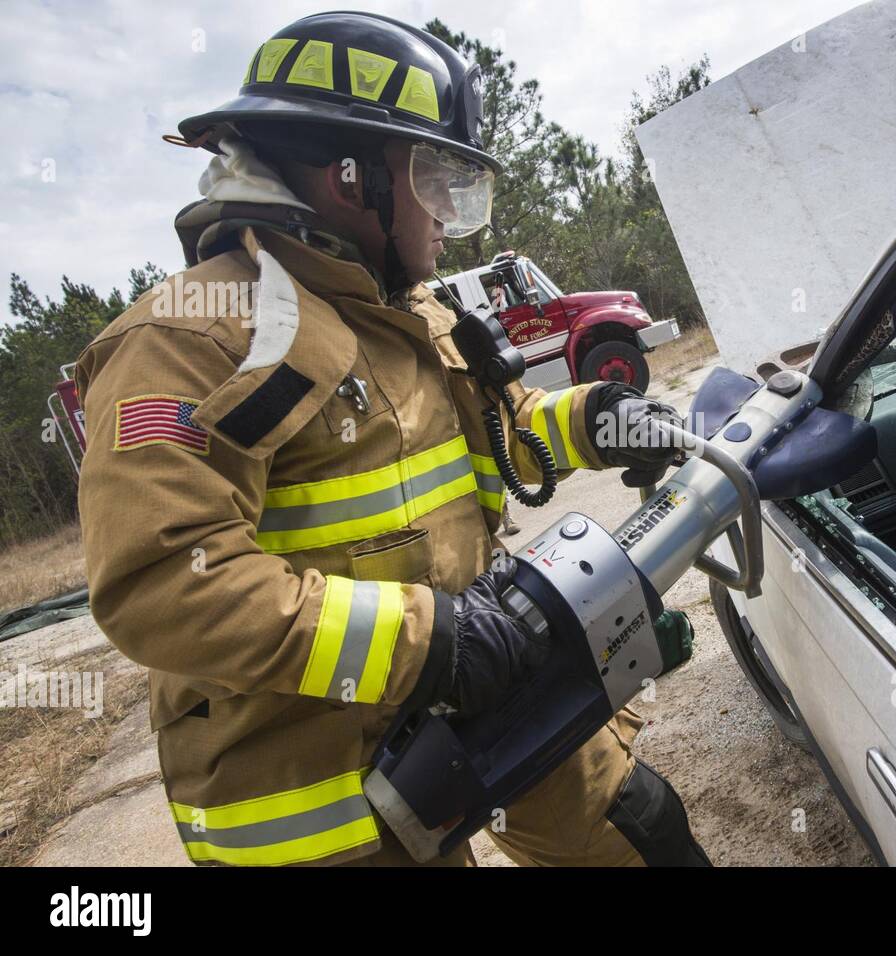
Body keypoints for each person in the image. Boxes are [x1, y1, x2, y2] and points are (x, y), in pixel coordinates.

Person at [75, 10, 707, 867]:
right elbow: (164, 581)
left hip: (491, 690)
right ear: (351, 176)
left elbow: (504, 428)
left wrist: (597, 419)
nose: (450, 216)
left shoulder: (409, 309)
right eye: (436, 179)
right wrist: (430, 640)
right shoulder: (192, 337)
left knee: (639, 831)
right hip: (326, 802)